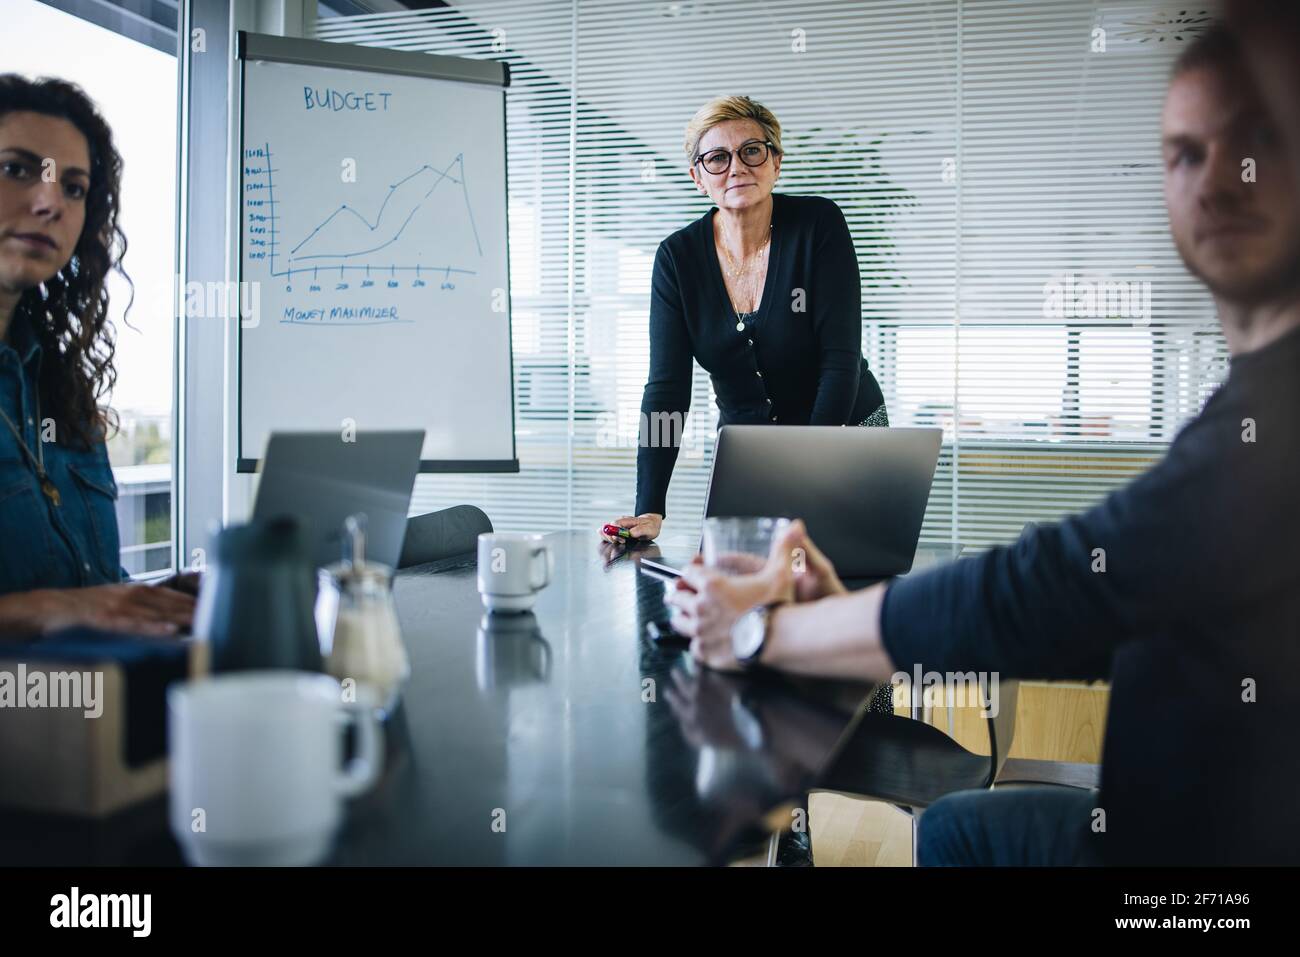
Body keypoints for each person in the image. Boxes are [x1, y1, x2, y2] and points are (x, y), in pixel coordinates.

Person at [665, 22, 1300, 865]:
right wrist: (844, 619)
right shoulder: (1252, 399)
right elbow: (1096, 605)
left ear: (774, 161)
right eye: (1186, 153)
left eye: (1260, 137)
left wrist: (769, 635)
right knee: (956, 815)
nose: (1221, 179)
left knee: (954, 828)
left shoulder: (1273, 423)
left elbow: (1048, 588)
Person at [601, 95, 887, 546]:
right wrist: (649, 506)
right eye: (717, 158)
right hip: (748, 450)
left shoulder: (818, 225)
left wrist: (808, 471)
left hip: (842, 429)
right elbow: (666, 389)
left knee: (839, 576)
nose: (737, 167)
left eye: (751, 150)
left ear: (775, 162)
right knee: (729, 582)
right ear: (698, 177)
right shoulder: (678, 258)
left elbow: (840, 360)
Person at [0, 75, 194, 640]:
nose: (49, 202)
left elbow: (83, 592)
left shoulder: (56, 386)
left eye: (75, 188)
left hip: (90, 711)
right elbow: (58, 607)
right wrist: (44, 610)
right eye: (16, 169)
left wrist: (145, 600)